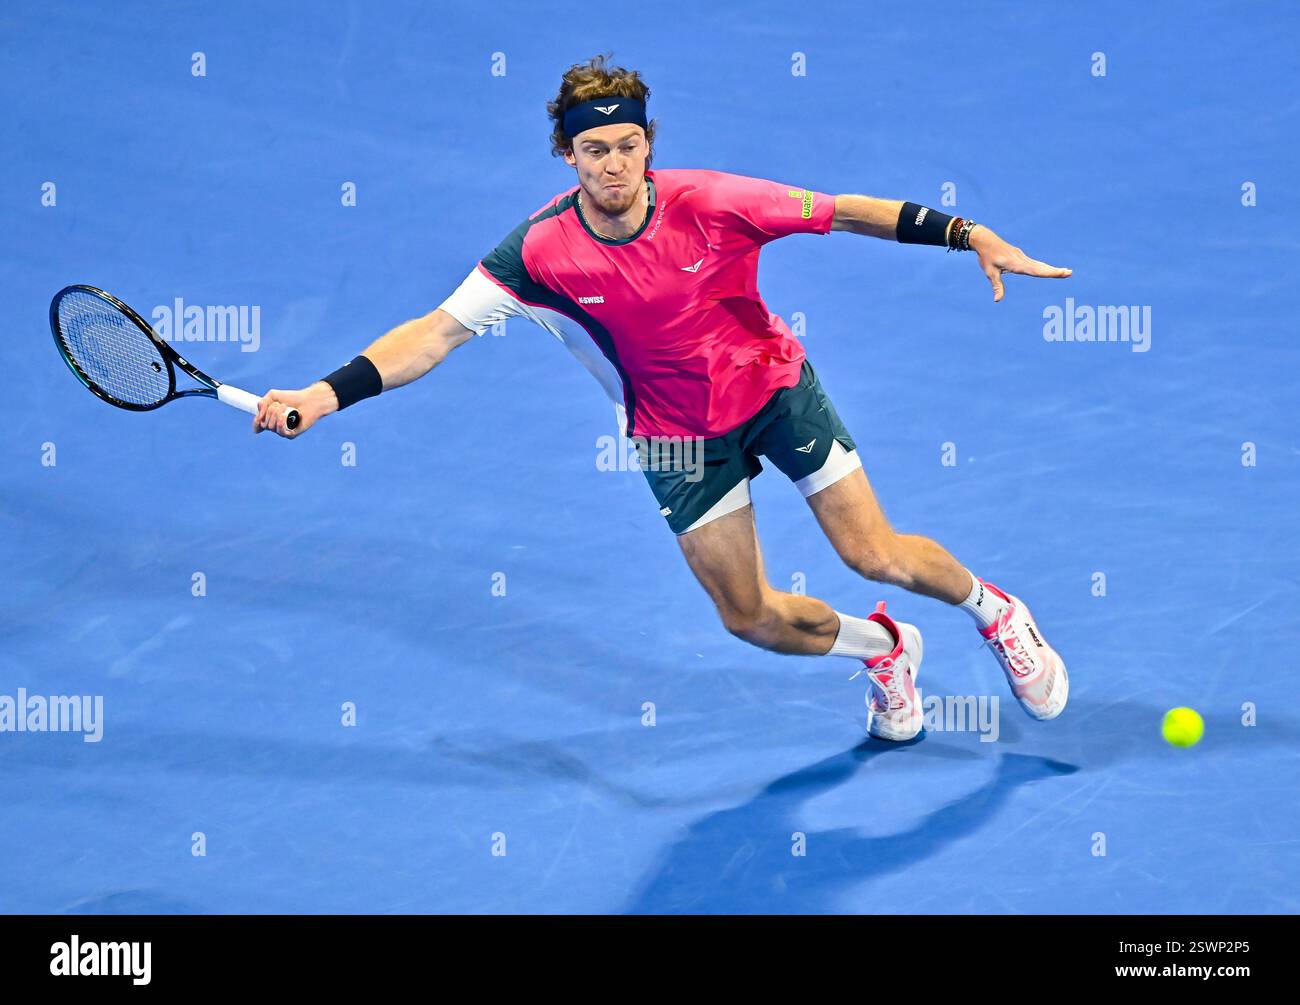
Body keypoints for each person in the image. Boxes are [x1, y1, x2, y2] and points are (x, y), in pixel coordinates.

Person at [255, 55, 1073, 741]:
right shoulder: (539, 254)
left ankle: (995, 611)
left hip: (776, 390)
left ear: (649, 145)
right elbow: (433, 333)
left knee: (873, 553)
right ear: (566, 157)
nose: (613, 164)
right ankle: (883, 648)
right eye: (593, 149)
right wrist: (325, 396)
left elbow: (846, 212)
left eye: (628, 144)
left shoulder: (715, 202)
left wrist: (969, 235)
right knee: (749, 617)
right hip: (675, 438)